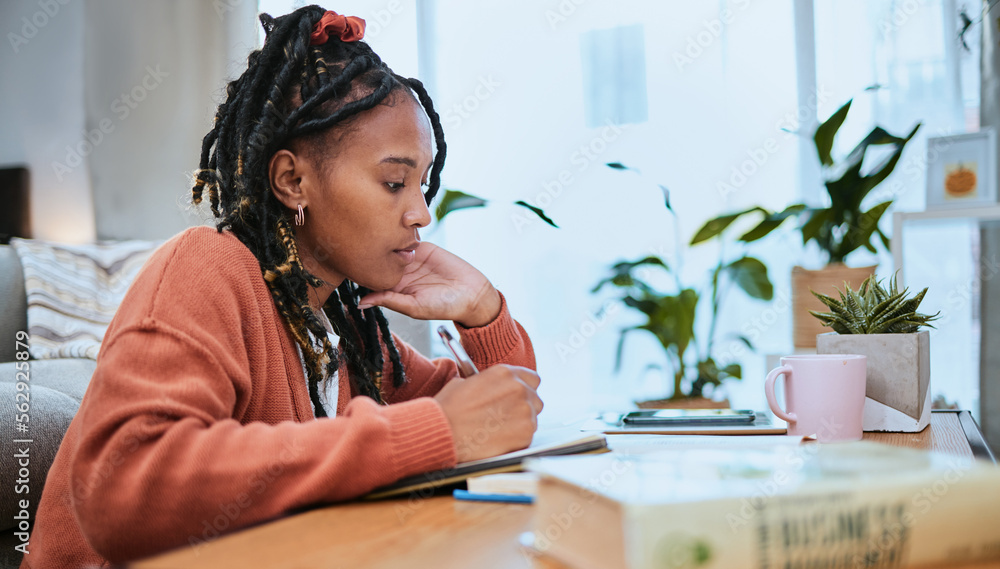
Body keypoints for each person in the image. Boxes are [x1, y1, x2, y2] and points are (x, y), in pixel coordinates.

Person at [22, 6, 542, 568]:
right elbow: (123, 488)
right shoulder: (206, 269)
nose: (420, 213)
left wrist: (484, 312)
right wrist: (428, 433)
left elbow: (505, 412)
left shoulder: (343, 328)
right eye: (395, 182)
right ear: (293, 181)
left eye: (422, 182)